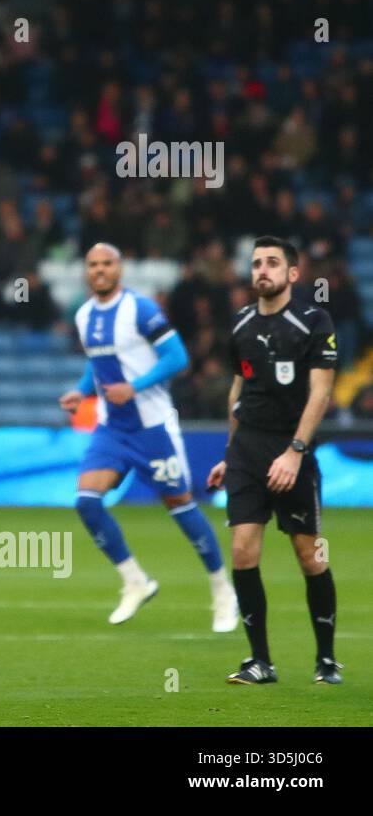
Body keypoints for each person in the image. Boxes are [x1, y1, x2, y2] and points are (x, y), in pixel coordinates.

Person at [59, 243, 237, 632]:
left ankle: (222, 589)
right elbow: (98, 362)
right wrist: (82, 390)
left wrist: (135, 387)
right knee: (87, 502)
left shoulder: (141, 309)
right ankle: (135, 581)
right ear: (86, 271)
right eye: (93, 265)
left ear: (119, 269)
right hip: (111, 428)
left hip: (152, 426)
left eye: (107, 264)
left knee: (181, 507)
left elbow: (178, 358)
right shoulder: (85, 313)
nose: (99, 270)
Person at [206, 236, 342, 685]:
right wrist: (229, 454)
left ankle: (326, 660)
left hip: (293, 450)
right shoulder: (241, 323)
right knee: (243, 550)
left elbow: (321, 392)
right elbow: (238, 391)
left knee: (312, 556)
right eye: (256, 263)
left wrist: (295, 453)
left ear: (293, 274)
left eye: (272, 263)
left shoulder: (313, 321)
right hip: (247, 450)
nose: (262, 270)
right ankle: (259, 661)